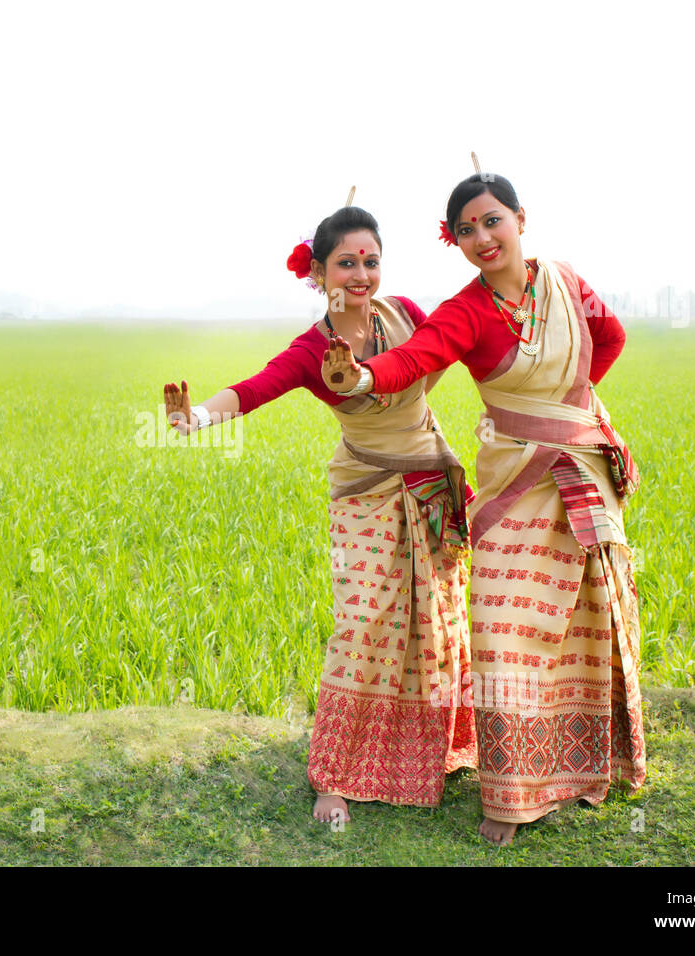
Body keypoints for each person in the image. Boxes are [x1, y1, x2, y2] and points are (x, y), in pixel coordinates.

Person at [320, 172, 645, 845]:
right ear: (456, 241)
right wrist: (366, 375)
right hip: (512, 483)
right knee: (501, 632)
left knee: (584, 617)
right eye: (466, 229)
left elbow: (607, 339)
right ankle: (512, 792)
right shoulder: (467, 311)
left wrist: (559, 415)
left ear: (520, 218)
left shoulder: (565, 282)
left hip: (580, 470)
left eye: (490, 220)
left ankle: (582, 766)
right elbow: (417, 356)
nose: (481, 237)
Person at [163, 203, 476, 824]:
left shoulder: (406, 314)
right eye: (346, 264)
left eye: (370, 262)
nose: (360, 275)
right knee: (361, 624)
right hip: (365, 494)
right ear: (319, 271)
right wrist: (195, 419)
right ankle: (334, 776)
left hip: (430, 485)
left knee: (436, 616)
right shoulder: (312, 350)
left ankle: (437, 747)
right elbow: (254, 388)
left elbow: (439, 359)